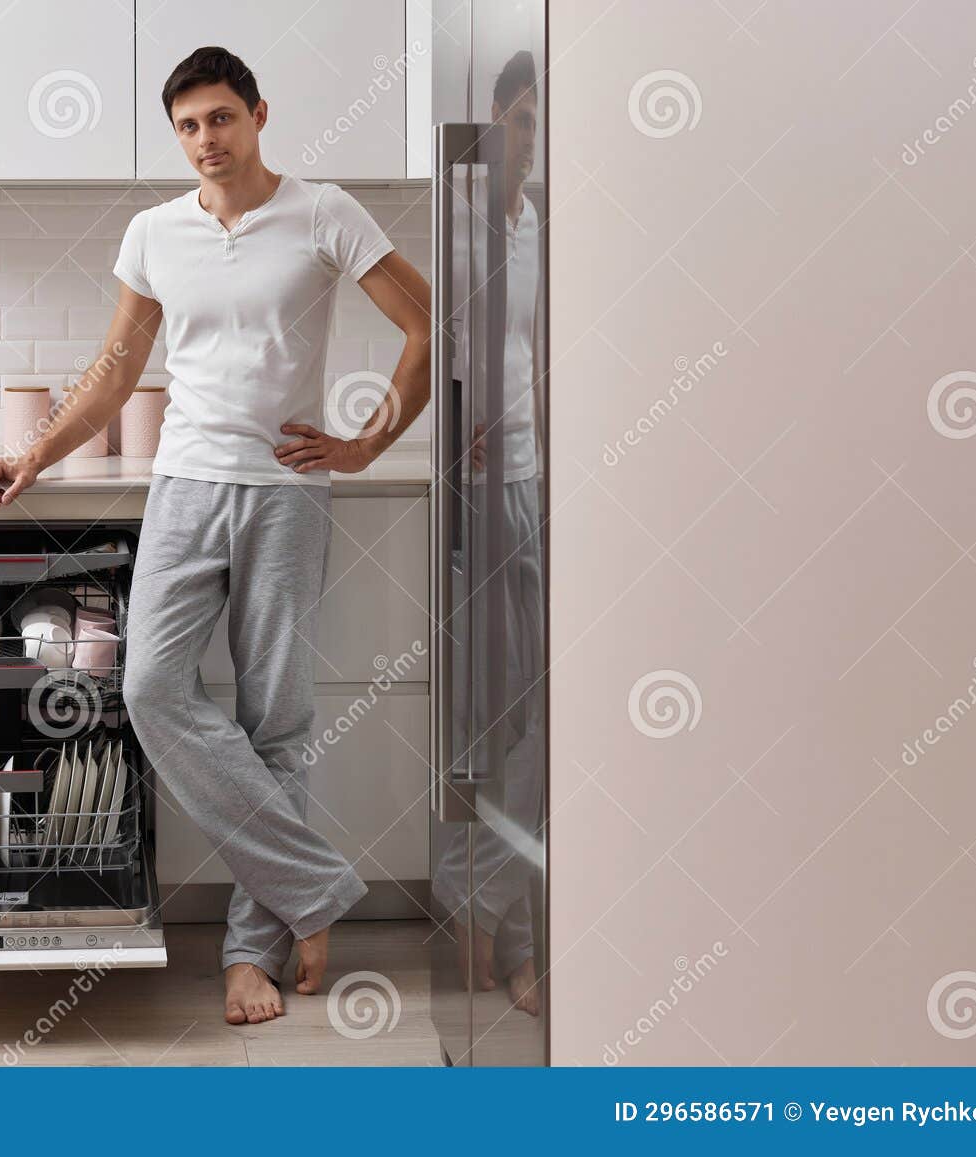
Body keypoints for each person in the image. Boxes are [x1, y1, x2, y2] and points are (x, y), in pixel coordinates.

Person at [0, 46, 432, 1026]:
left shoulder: (324, 214)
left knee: (278, 719)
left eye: (221, 118)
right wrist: (37, 452)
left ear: (259, 115)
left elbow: (426, 321)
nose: (205, 140)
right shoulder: (154, 233)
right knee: (149, 685)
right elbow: (112, 367)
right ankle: (314, 889)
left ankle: (249, 952)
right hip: (185, 484)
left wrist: (363, 446)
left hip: (284, 491)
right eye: (187, 125)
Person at [430, 48, 545, 1017]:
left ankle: (501, 918)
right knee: (482, 722)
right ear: (492, 121)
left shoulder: (539, 220)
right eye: (517, 122)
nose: (529, 141)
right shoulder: (458, 221)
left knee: (540, 723)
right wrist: (450, 415)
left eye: (539, 126)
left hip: (537, 483)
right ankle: (488, 929)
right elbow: (436, 345)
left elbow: (534, 349)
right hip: (471, 489)